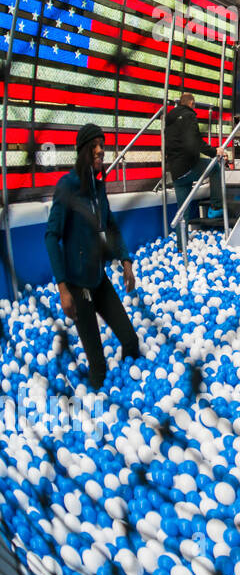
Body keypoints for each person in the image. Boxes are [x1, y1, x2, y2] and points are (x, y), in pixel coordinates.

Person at [45, 124, 141, 391]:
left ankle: (130, 391)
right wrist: (63, 288)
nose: (101, 150)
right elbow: (51, 236)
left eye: (103, 145)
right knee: (98, 368)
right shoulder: (67, 187)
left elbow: (110, 225)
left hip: (98, 279)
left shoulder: (99, 189)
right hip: (78, 286)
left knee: (132, 342)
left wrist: (125, 260)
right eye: (95, 145)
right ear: (82, 151)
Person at [165, 93, 226, 230]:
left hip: (176, 172)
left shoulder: (169, 118)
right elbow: (195, 141)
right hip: (189, 166)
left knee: (182, 211)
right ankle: (216, 206)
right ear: (191, 103)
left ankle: (181, 247)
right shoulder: (189, 115)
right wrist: (214, 151)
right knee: (215, 167)